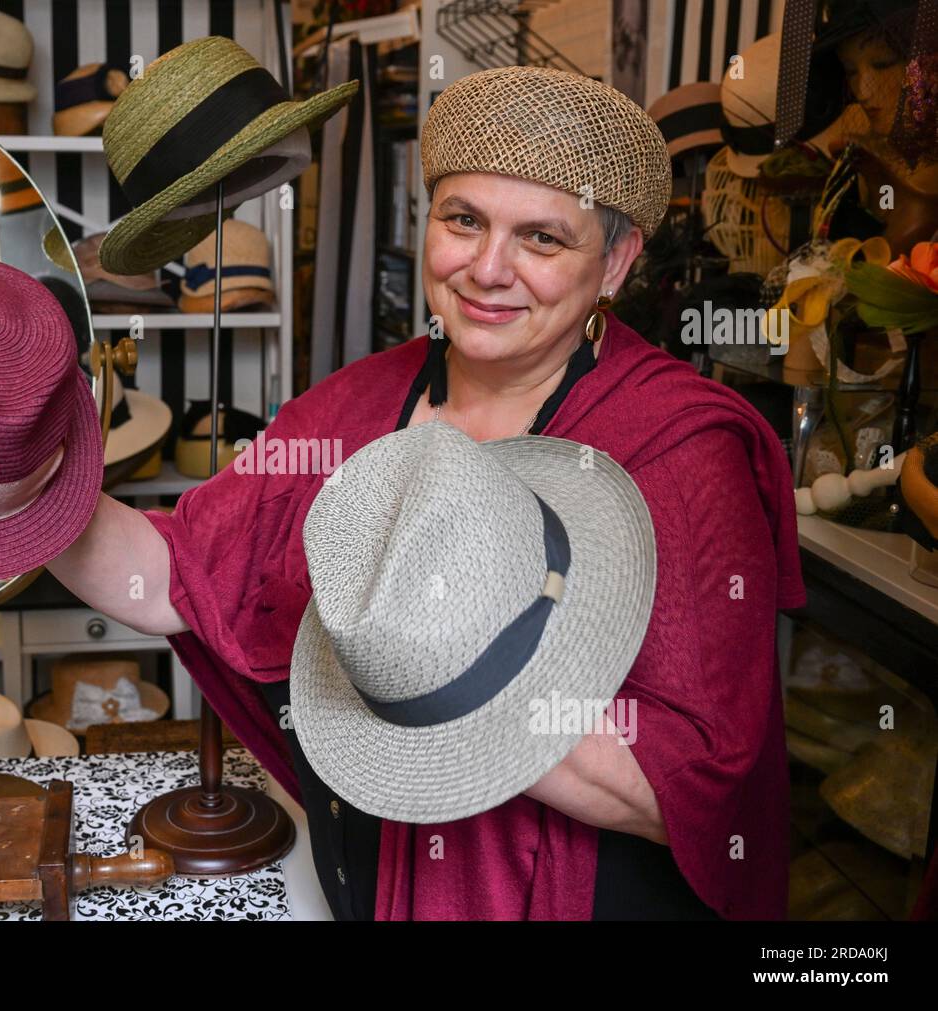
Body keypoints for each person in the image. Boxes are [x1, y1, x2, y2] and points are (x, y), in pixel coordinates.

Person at [47, 65, 805, 920]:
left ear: (617, 262)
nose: (489, 269)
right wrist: (18, 475)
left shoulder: (683, 451)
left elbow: (692, 787)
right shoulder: (359, 402)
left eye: (542, 238)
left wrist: (442, 677)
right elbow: (173, 574)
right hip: (365, 885)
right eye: (464, 220)